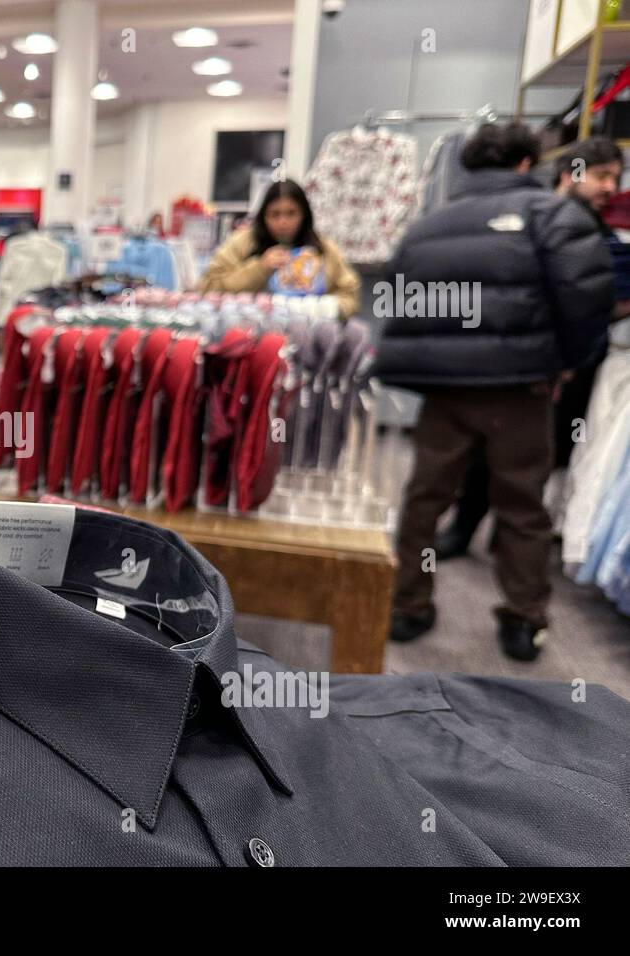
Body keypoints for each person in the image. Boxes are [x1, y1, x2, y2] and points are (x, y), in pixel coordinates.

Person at [375, 123, 614, 661]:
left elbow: (400, 299)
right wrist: (567, 362)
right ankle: (523, 620)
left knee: (425, 498)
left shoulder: (428, 225)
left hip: (445, 391)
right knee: (521, 504)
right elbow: (586, 299)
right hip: (519, 388)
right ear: (527, 164)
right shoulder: (553, 215)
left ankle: (409, 604)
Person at [436, 136, 628, 559]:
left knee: (544, 455)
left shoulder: (602, 236)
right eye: (602, 176)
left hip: (574, 365)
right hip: (517, 357)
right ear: (571, 173)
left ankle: (509, 539)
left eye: (615, 178)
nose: (610, 187)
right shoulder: (529, 218)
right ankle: (465, 526)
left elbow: (597, 302)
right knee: (486, 446)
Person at [198, 179, 361, 318]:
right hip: (249, 330)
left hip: (311, 331)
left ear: (304, 215)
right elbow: (208, 287)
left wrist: (325, 308)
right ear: (263, 216)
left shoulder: (323, 248)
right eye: (275, 214)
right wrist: (260, 268)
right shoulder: (242, 242)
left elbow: (349, 294)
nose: (283, 222)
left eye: (291, 214)